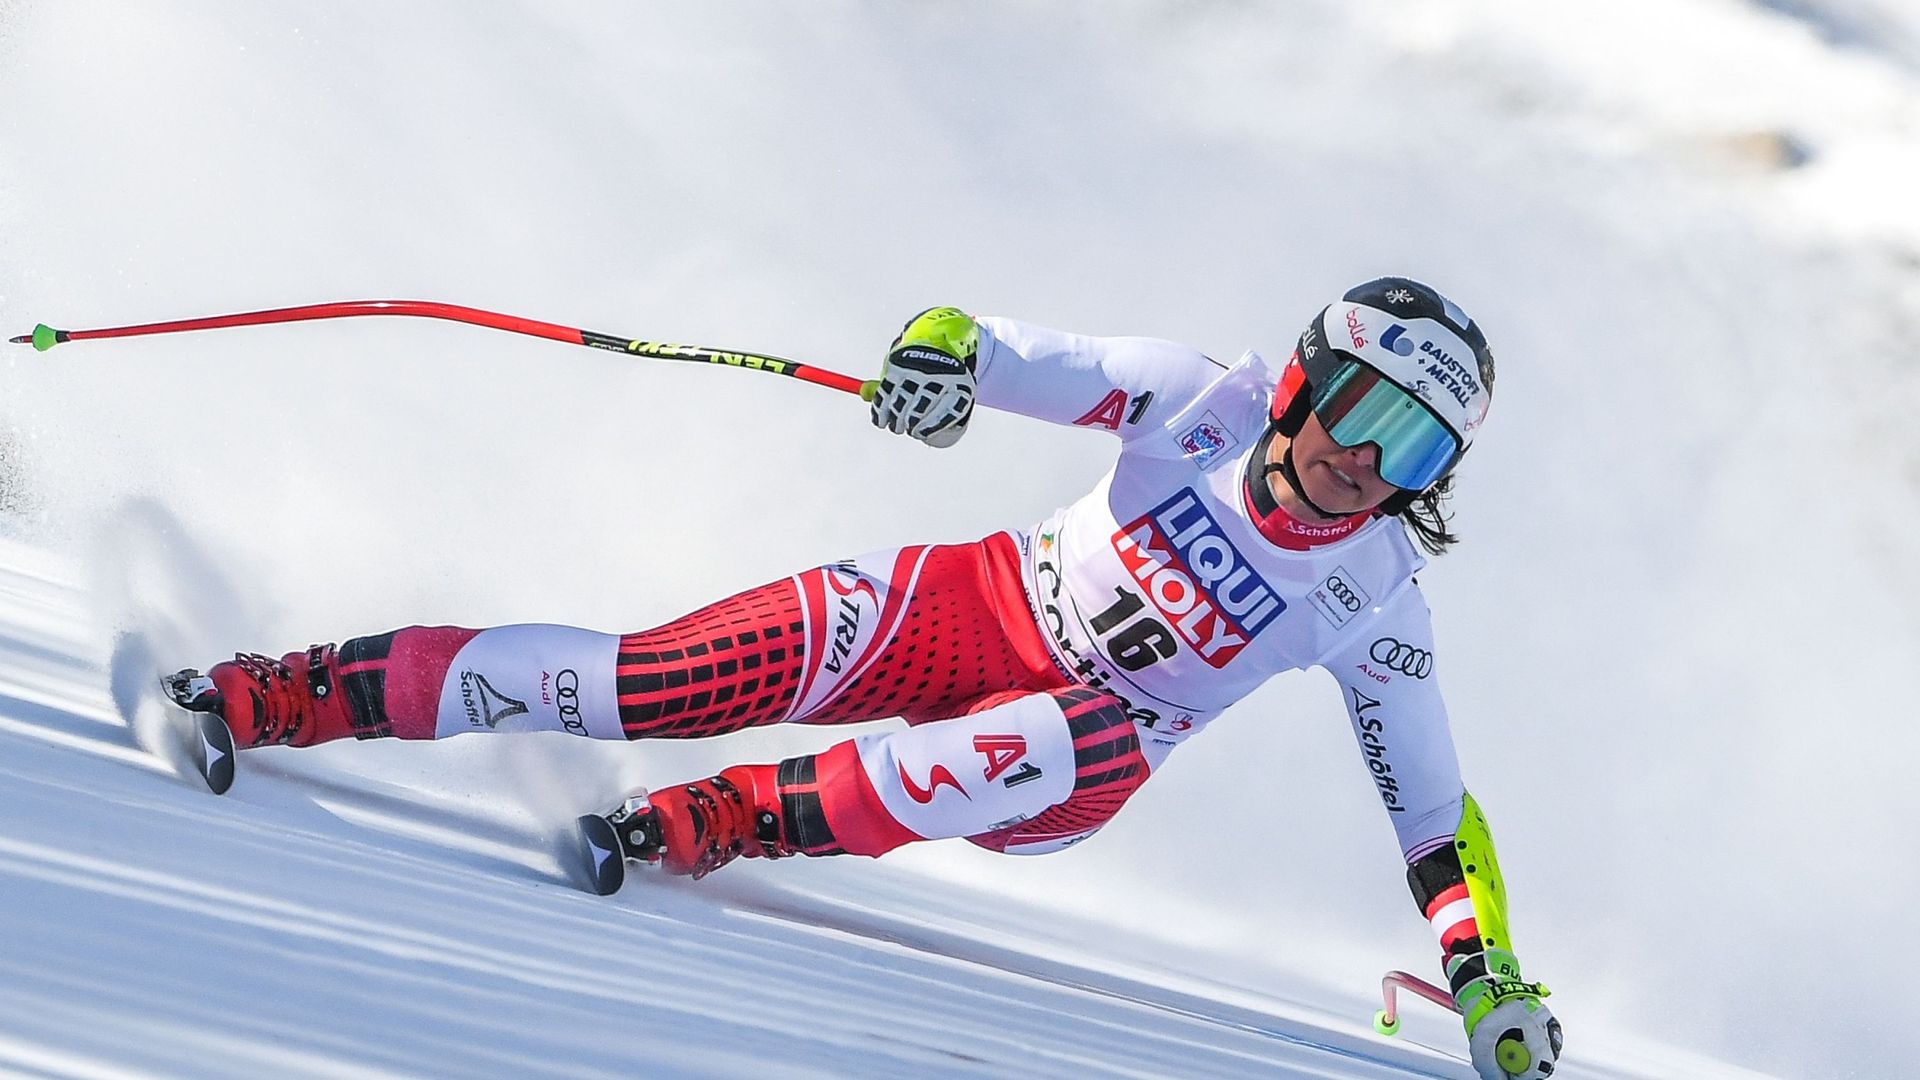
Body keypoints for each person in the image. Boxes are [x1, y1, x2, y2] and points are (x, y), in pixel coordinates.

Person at [170, 278, 1563, 1080]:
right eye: (1369, 415)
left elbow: (1433, 816)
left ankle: (730, 819)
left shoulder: (1372, 598)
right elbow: (993, 344)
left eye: (1420, 455)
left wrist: (1485, 972)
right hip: (975, 603)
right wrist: (935, 373)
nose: (1369, 468)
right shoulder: (1199, 394)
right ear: (1310, 382)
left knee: (1047, 735)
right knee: (644, 678)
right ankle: (290, 692)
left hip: (1089, 750)